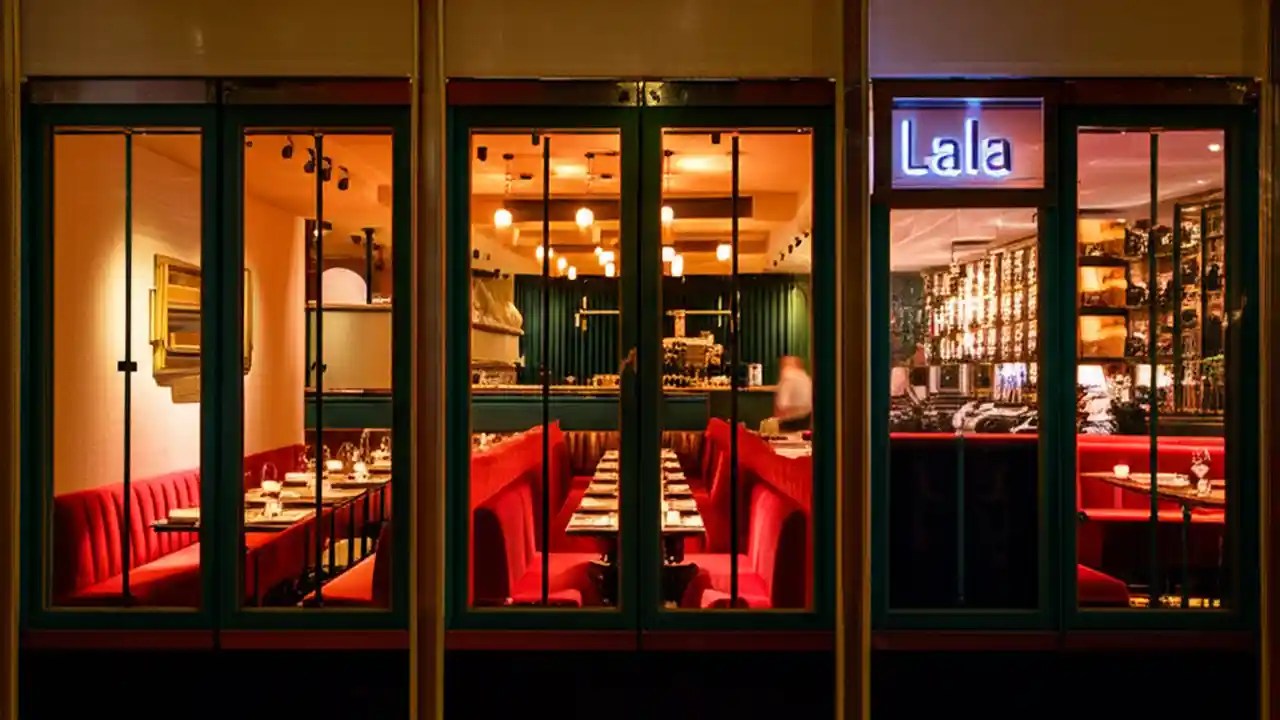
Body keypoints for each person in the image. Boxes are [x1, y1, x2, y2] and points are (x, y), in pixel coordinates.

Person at [772, 355, 813, 431]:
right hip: (806, 420)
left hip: (789, 422)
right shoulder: (806, 378)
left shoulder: (787, 377)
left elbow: (782, 404)